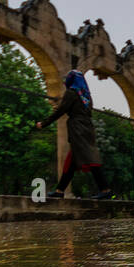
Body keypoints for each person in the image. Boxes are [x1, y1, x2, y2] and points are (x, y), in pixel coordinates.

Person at [36, 70, 110, 199]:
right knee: (71, 162)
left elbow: (61, 110)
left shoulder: (71, 93)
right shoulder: (86, 96)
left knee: (91, 159)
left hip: (78, 129)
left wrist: (44, 123)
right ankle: (60, 191)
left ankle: (105, 189)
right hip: (87, 129)